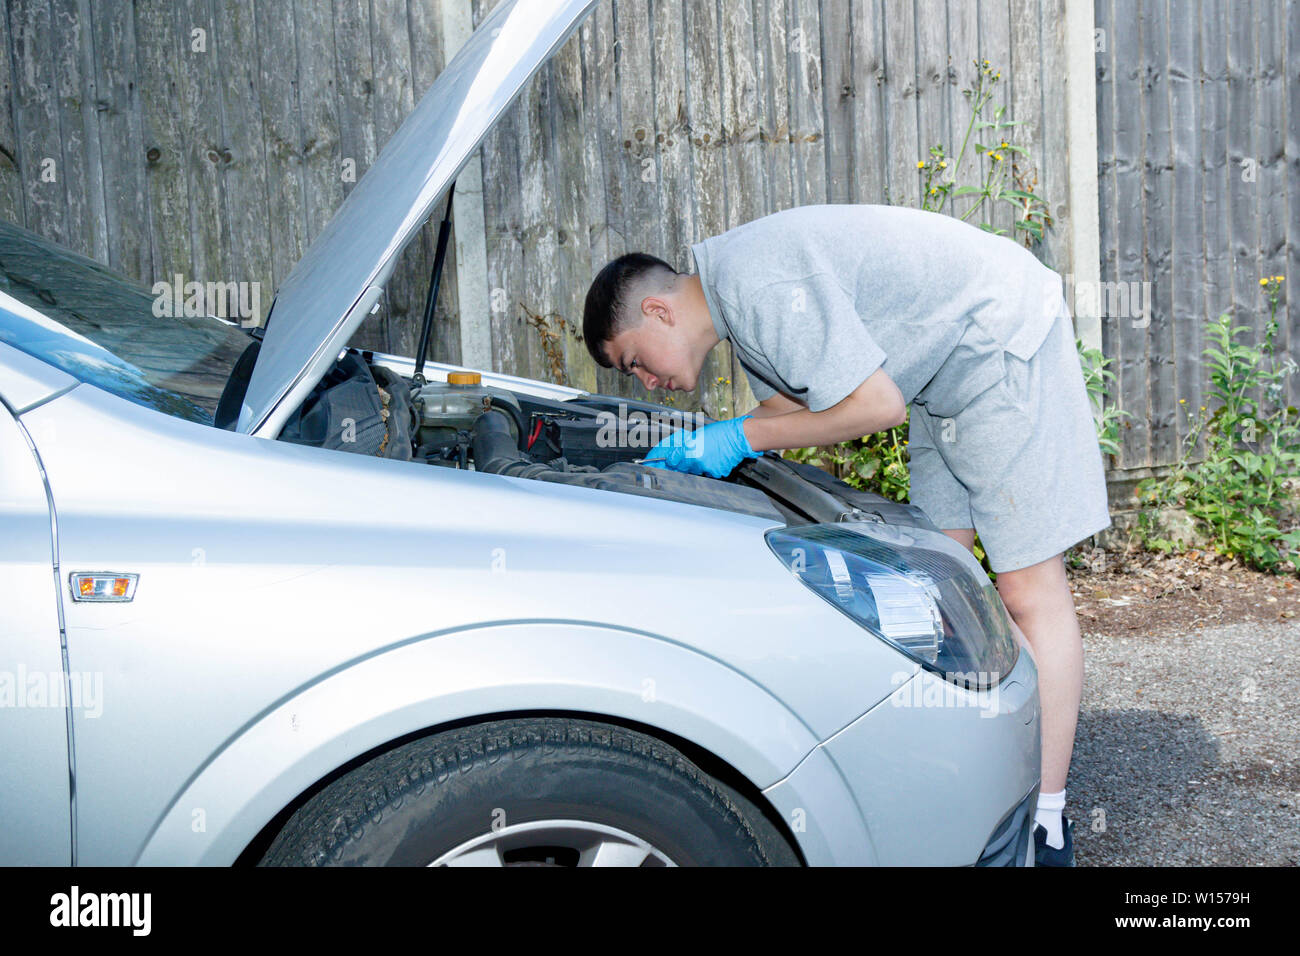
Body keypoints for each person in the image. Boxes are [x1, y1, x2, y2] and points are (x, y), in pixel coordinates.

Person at [581, 203, 1112, 866]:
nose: (646, 381)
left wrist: (736, 435)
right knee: (939, 577)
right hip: (943, 377)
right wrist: (711, 443)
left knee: (1028, 589)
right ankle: (976, 781)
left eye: (633, 361)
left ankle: (1048, 823)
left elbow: (872, 406)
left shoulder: (755, 284)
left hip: (998, 336)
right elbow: (796, 408)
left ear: (658, 312)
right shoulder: (739, 305)